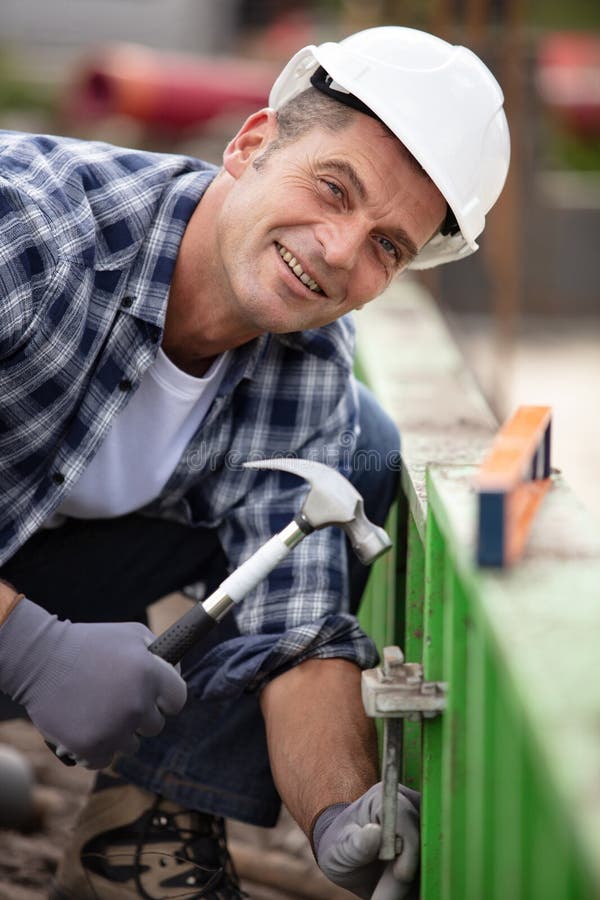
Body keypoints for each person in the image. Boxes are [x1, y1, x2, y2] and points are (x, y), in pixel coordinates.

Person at [0, 25, 509, 900]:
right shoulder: (33, 235)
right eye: (333, 188)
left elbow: (290, 634)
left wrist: (343, 816)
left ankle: (137, 838)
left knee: (367, 444)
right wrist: (29, 651)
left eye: (389, 245)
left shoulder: (304, 363)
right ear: (252, 144)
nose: (342, 250)